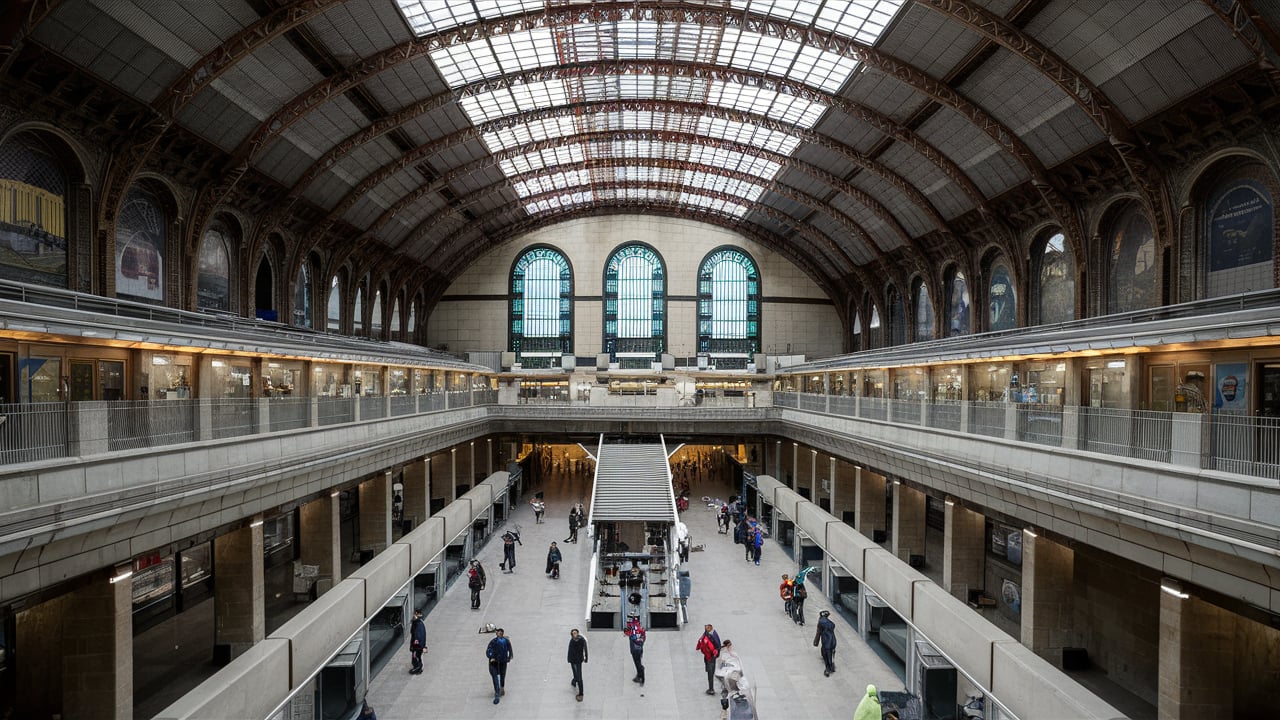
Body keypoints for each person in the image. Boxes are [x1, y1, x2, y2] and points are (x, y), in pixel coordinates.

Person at [486, 627, 514, 704]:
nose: (499, 634)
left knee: (502, 675)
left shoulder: (506, 641)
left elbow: (509, 650)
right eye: (498, 632)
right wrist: (492, 657)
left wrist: (508, 657)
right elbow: (489, 650)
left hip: (502, 662)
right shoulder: (493, 642)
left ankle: (501, 687)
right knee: (495, 677)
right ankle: (497, 693)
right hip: (494, 663)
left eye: (501, 632)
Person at [695, 623, 722, 695]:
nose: (705, 629)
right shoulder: (712, 633)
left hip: (710, 656)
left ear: (710, 628)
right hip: (711, 656)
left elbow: (715, 646)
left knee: (710, 672)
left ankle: (711, 689)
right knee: (710, 671)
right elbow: (718, 645)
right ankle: (711, 688)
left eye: (707, 628)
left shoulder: (709, 635)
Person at [623, 612, 646, 685]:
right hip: (640, 648)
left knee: (637, 663)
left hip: (634, 649)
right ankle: (639, 674)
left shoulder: (631, 628)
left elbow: (626, 632)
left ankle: (641, 677)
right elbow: (644, 638)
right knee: (639, 661)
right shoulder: (641, 628)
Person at [813, 609, 837, 676]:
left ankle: (828, 669)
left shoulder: (821, 622)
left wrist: (816, 642)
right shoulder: (831, 624)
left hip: (827, 642)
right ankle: (831, 665)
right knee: (831, 653)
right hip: (833, 641)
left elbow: (818, 633)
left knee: (826, 655)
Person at [567, 628, 588, 702]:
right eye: (573, 633)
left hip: (579, 660)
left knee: (579, 677)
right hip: (573, 660)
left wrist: (586, 658)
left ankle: (581, 693)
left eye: (576, 633)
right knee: (576, 674)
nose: (575, 634)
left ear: (578, 633)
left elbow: (585, 648)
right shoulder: (571, 641)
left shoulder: (582, 640)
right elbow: (569, 651)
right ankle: (574, 680)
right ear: (572, 635)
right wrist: (569, 660)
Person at [409, 609, 427, 674]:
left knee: (417, 656)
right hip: (416, 644)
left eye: (414, 614)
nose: (413, 615)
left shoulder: (419, 624)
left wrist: (417, 646)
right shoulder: (417, 622)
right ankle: (417, 667)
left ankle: (419, 668)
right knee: (416, 656)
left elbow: (418, 636)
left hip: (418, 644)